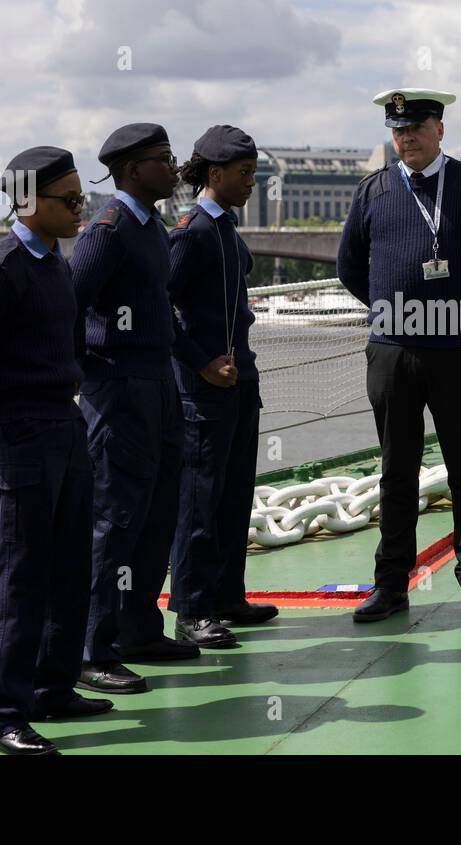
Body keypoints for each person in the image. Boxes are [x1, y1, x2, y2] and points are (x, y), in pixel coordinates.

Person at [336, 88, 461, 623]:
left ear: (439, 129)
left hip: (455, 351)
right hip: (392, 351)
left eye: (416, 127)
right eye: (398, 130)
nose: (406, 137)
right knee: (396, 469)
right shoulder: (373, 191)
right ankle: (391, 586)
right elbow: (350, 266)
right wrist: (391, 312)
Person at [0, 147, 112, 755]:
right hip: (20, 433)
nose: (81, 209)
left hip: (64, 422)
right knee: (19, 576)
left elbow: (72, 343)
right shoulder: (0, 269)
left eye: (82, 198)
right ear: (28, 203)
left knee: (70, 563)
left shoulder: (55, 264)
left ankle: (53, 686)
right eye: (69, 200)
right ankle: (2, 714)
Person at [70, 123, 199, 695]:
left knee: (156, 511)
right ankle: (91, 650)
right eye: (163, 159)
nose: (174, 168)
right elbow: (68, 305)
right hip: (118, 388)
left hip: (158, 383)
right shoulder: (108, 230)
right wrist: (86, 373)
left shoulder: (151, 229)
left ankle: (139, 629)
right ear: (130, 170)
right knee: (114, 518)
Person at [168, 126, 277, 647]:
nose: (253, 181)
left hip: (240, 382)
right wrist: (201, 363)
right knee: (200, 498)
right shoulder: (191, 233)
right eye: (245, 173)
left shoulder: (226, 230)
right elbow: (160, 307)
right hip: (205, 389)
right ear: (216, 174)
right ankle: (192, 610)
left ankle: (227, 595)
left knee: (235, 494)